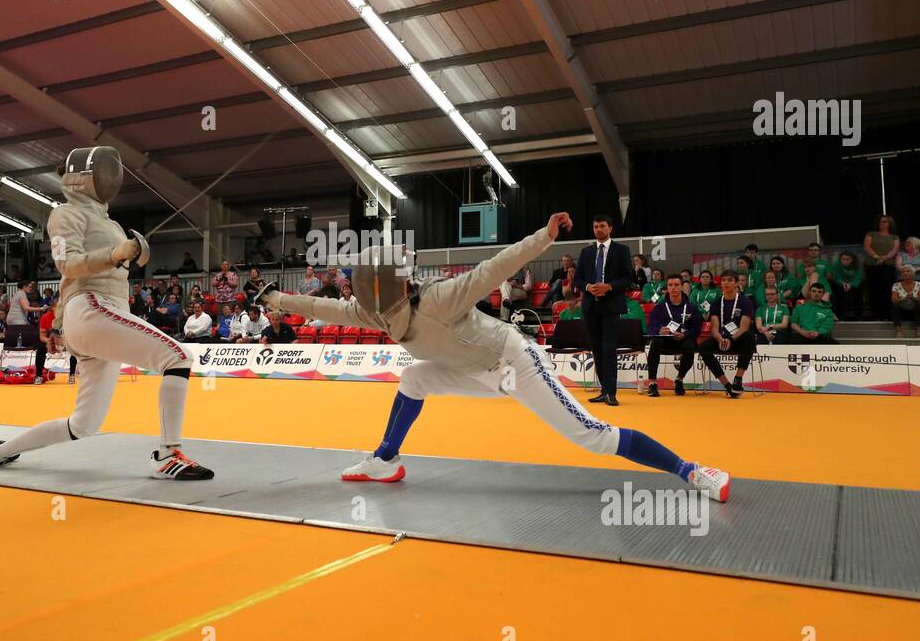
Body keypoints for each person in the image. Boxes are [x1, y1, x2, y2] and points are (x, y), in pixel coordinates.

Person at [255, 213, 731, 501]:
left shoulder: (440, 297)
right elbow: (320, 305)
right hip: (475, 372)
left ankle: (692, 471)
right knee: (414, 378)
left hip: (515, 364)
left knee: (593, 436)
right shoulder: (376, 313)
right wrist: (275, 299)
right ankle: (385, 459)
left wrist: (543, 238)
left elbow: (496, 267)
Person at [0, 146, 213, 481]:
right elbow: (67, 265)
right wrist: (116, 253)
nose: (111, 179)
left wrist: (56, 325)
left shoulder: (109, 221)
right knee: (178, 356)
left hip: (101, 315)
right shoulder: (65, 213)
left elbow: (73, 277)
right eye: (105, 173)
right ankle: (168, 454)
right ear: (84, 177)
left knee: (83, 424)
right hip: (91, 309)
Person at [573, 214, 635, 406]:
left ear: (610, 228)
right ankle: (603, 390)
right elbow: (577, 279)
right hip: (590, 306)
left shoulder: (622, 250)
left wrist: (609, 287)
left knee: (609, 349)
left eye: (601, 226)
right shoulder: (586, 252)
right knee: (597, 349)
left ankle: (611, 392)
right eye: (595, 227)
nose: (598, 229)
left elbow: (628, 278)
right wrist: (587, 287)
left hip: (611, 305)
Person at [696, 269, 755, 398]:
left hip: (738, 338)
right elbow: (714, 328)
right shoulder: (717, 303)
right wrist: (720, 339)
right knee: (703, 348)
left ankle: (738, 380)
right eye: (724, 280)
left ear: (736, 283)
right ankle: (727, 385)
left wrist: (731, 340)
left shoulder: (745, 301)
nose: (726, 283)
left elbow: (744, 327)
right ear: (720, 284)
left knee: (749, 337)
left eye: (730, 280)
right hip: (722, 338)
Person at [644, 275, 701, 397]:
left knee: (690, 346)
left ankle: (679, 379)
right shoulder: (659, 308)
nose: (673, 288)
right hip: (665, 341)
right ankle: (652, 383)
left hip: (683, 340)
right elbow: (651, 326)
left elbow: (697, 329)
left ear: (681, 287)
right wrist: (659, 331)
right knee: (655, 342)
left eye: (676, 285)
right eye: (670, 285)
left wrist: (685, 334)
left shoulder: (691, 308)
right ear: (667, 288)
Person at [863, 215, 900, 320]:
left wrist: (885, 258)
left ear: (889, 224)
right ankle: (876, 315)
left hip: (888, 266)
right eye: (880, 221)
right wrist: (877, 257)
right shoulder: (871, 234)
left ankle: (887, 315)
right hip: (872, 266)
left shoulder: (894, 237)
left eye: (884, 222)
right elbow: (867, 247)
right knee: (874, 290)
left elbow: (895, 249)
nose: (881, 223)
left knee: (887, 291)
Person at [890, 264, 920, 338]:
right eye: (903, 272)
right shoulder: (896, 285)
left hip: (914, 308)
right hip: (901, 308)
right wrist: (905, 298)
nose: (905, 273)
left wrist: (912, 298)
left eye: (907, 271)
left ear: (913, 273)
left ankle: (919, 331)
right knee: (894, 306)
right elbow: (894, 300)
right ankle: (898, 331)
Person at [828, 251, 864, 320]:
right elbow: (836, 277)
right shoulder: (836, 265)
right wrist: (843, 284)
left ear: (852, 260)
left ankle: (858, 315)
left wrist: (850, 285)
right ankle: (840, 315)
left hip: (853, 284)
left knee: (859, 292)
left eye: (847, 259)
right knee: (838, 292)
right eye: (843, 259)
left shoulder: (857, 265)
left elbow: (858, 278)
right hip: (841, 284)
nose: (845, 261)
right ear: (840, 259)